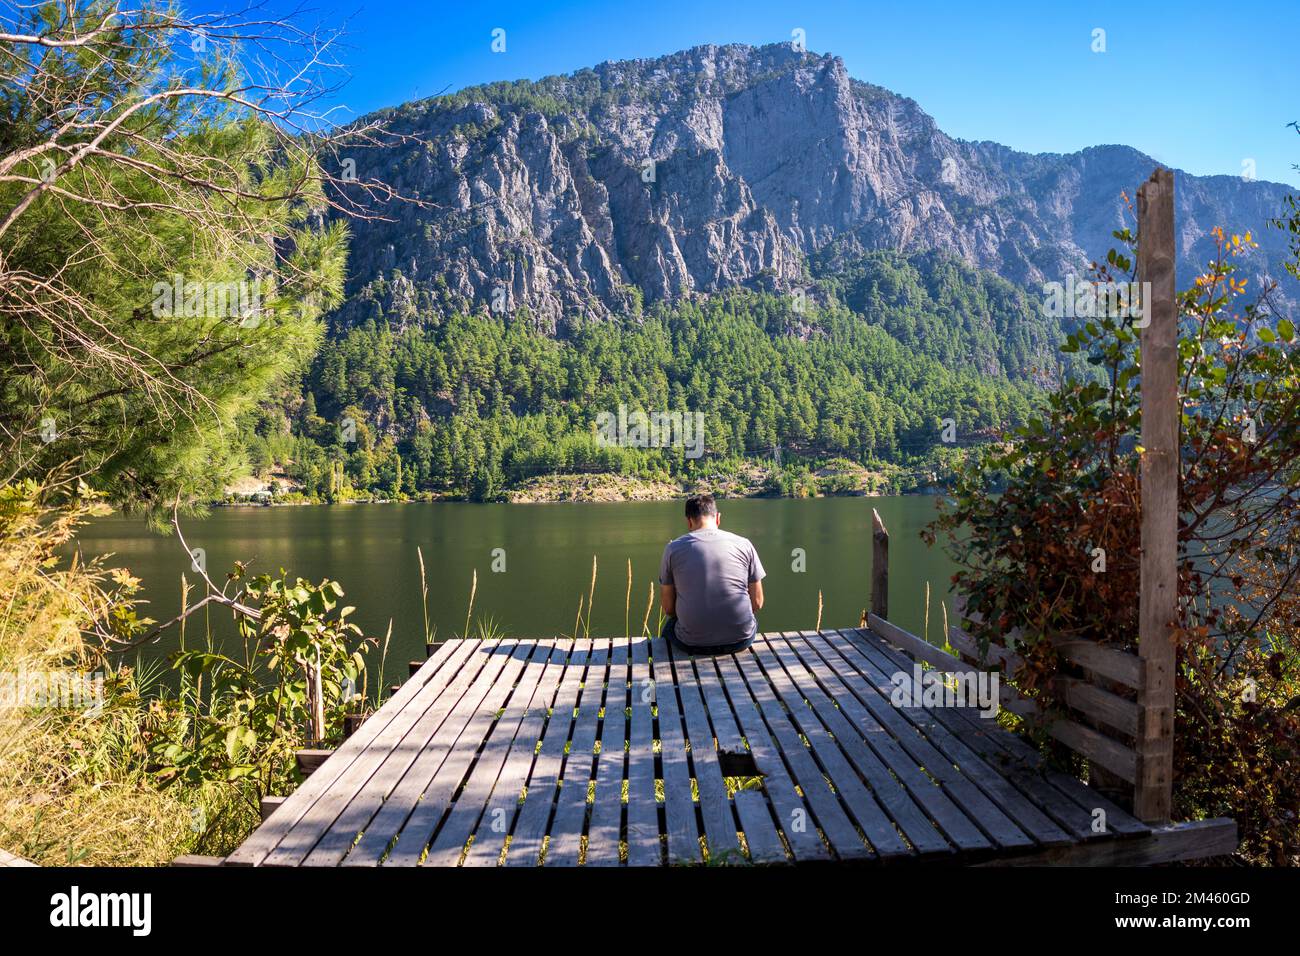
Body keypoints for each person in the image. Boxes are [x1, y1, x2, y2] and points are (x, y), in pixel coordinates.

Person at [658, 493, 765, 655]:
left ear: (688, 521)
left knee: (668, 628)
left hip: (691, 643)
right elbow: (757, 602)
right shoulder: (744, 544)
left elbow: (668, 608)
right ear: (718, 518)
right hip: (741, 639)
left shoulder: (673, 549)